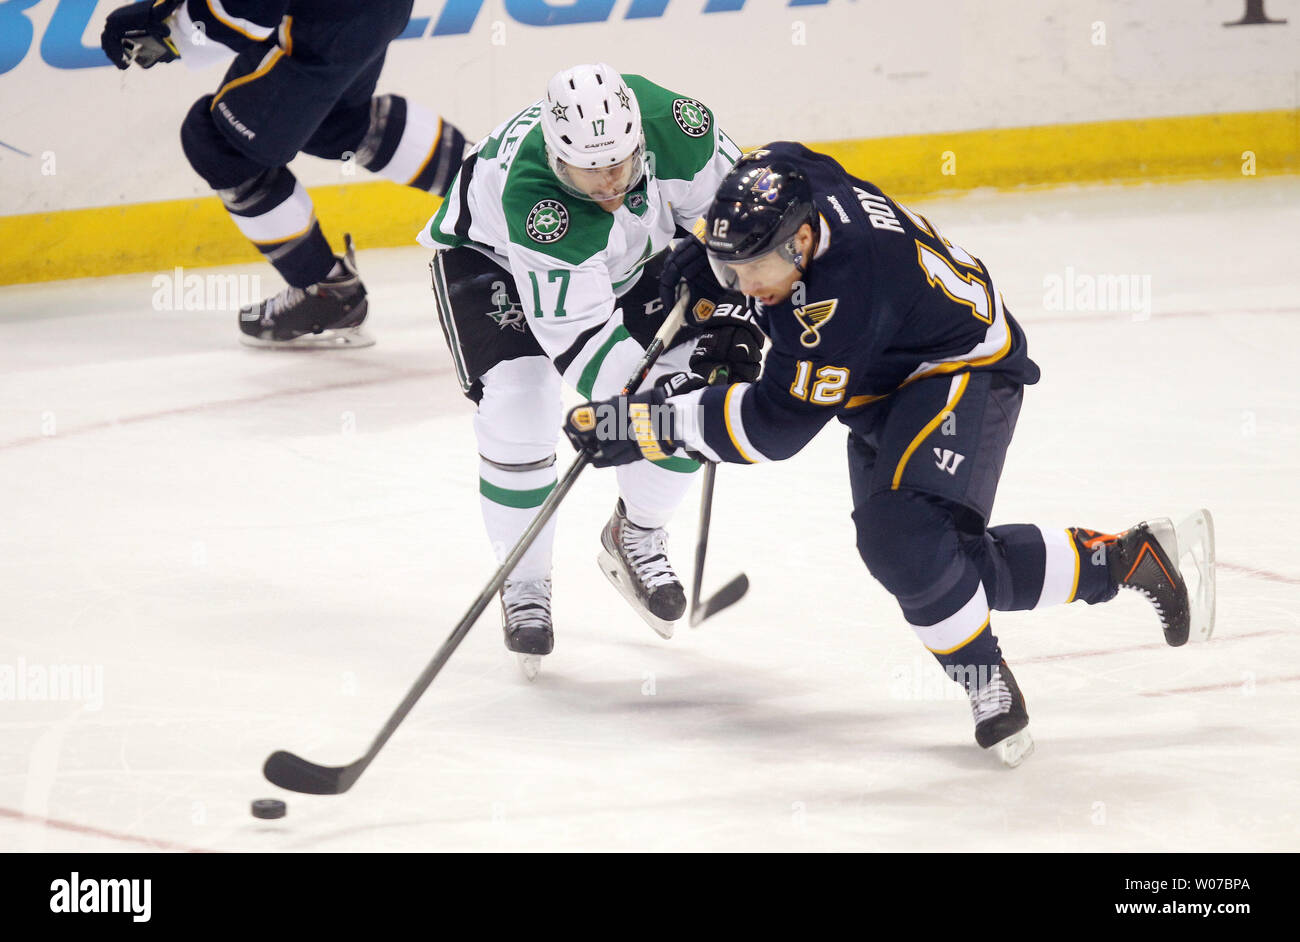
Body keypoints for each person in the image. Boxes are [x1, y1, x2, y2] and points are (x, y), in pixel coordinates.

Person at [564, 143, 1216, 764]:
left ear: (801, 241)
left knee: (903, 541)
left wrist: (649, 422)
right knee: (934, 564)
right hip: (886, 370)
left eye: (753, 268)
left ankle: (984, 677)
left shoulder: (835, 302)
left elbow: (773, 429)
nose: (745, 283)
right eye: (736, 268)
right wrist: (710, 265)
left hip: (957, 365)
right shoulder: (781, 174)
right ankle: (1131, 559)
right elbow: (750, 201)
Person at [417, 63, 760, 677]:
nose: (605, 182)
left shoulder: (679, 127)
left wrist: (735, 305)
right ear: (555, 156)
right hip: (490, 261)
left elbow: (745, 227)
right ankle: (523, 584)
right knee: (521, 408)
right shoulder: (536, 200)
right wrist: (668, 392)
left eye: (618, 166)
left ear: (639, 140)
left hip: (625, 258)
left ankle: (637, 535)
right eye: (585, 169)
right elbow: (586, 349)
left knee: (698, 402)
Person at [100, 0, 467, 348]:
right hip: (366, 10)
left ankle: (327, 294)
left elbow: (246, 13)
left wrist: (168, 30)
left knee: (220, 146)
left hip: (327, 20)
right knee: (335, 123)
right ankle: (495, 184)